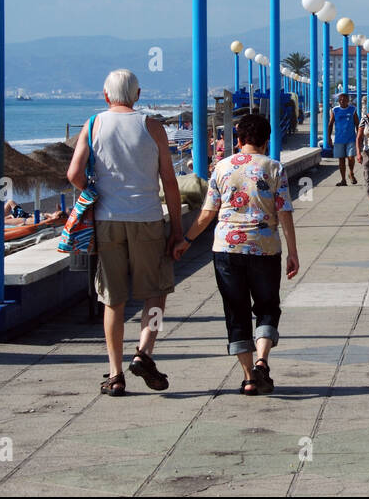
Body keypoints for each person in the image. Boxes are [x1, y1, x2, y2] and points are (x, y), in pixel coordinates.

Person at [68, 68, 183, 397]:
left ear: (106, 95)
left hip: (107, 219)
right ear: (138, 94)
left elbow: (74, 173)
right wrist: (177, 229)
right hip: (147, 218)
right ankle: (144, 352)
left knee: (113, 299)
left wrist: (94, 190)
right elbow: (170, 183)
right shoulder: (153, 127)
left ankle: (115, 374)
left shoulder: (92, 124)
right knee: (156, 291)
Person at [174, 112, 300, 396]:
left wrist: (185, 240)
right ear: (267, 141)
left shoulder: (221, 167)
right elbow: (284, 211)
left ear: (240, 140)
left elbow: (207, 214)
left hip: (227, 250)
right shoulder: (274, 167)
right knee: (267, 307)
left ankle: (248, 378)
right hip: (265, 247)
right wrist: (293, 252)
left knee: (236, 311)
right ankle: (261, 361)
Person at [331, 92, 359, 185]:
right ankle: (343, 180)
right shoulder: (335, 110)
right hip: (339, 139)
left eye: (344, 99)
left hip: (351, 138)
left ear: (348, 100)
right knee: (341, 160)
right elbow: (330, 124)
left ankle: (351, 173)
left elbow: (357, 124)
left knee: (351, 158)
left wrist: (359, 137)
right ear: (338, 100)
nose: (342, 101)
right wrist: (328, 138)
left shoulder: (353, 110)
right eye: (340, 99)